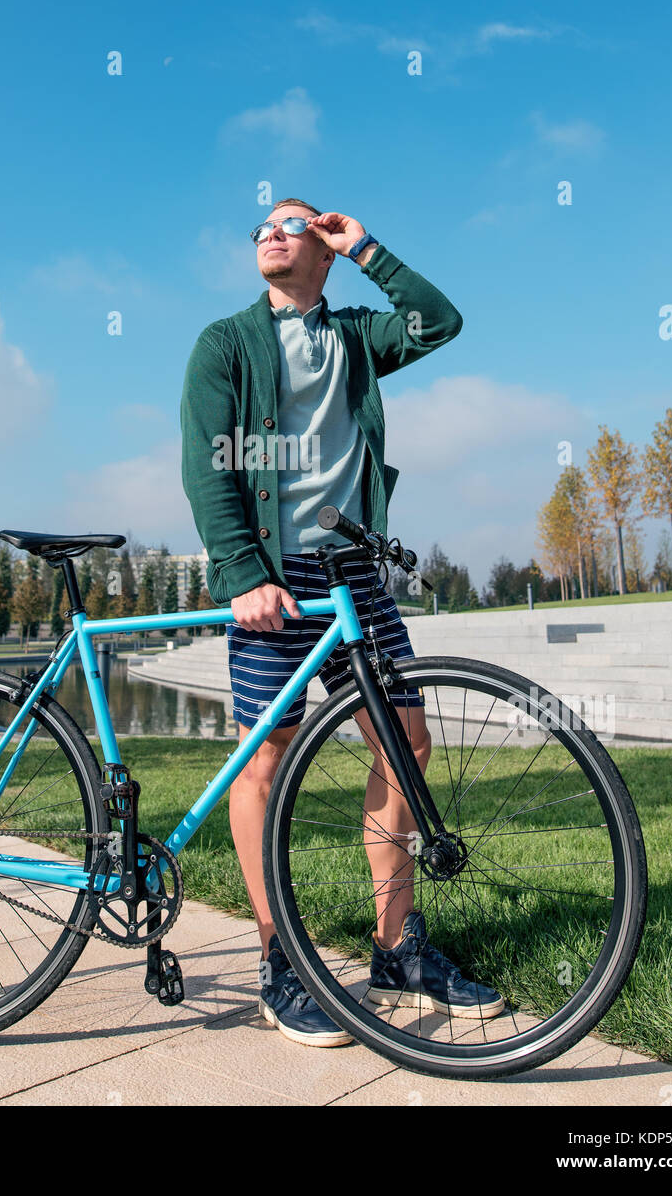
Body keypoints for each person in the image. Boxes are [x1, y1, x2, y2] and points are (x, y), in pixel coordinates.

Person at [180, 199, 502, 1046]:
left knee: (406, 741)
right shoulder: (224, 343)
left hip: (350, 569)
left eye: (295, 225)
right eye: (262, 228)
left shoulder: (357, 334)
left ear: (322, 249)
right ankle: (278, 960)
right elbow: (204, 464)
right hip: (269, 571)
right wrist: (242, 572)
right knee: (267, 759)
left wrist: (364, 247)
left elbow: (439, 320)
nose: (273, 233)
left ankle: (395, 949)